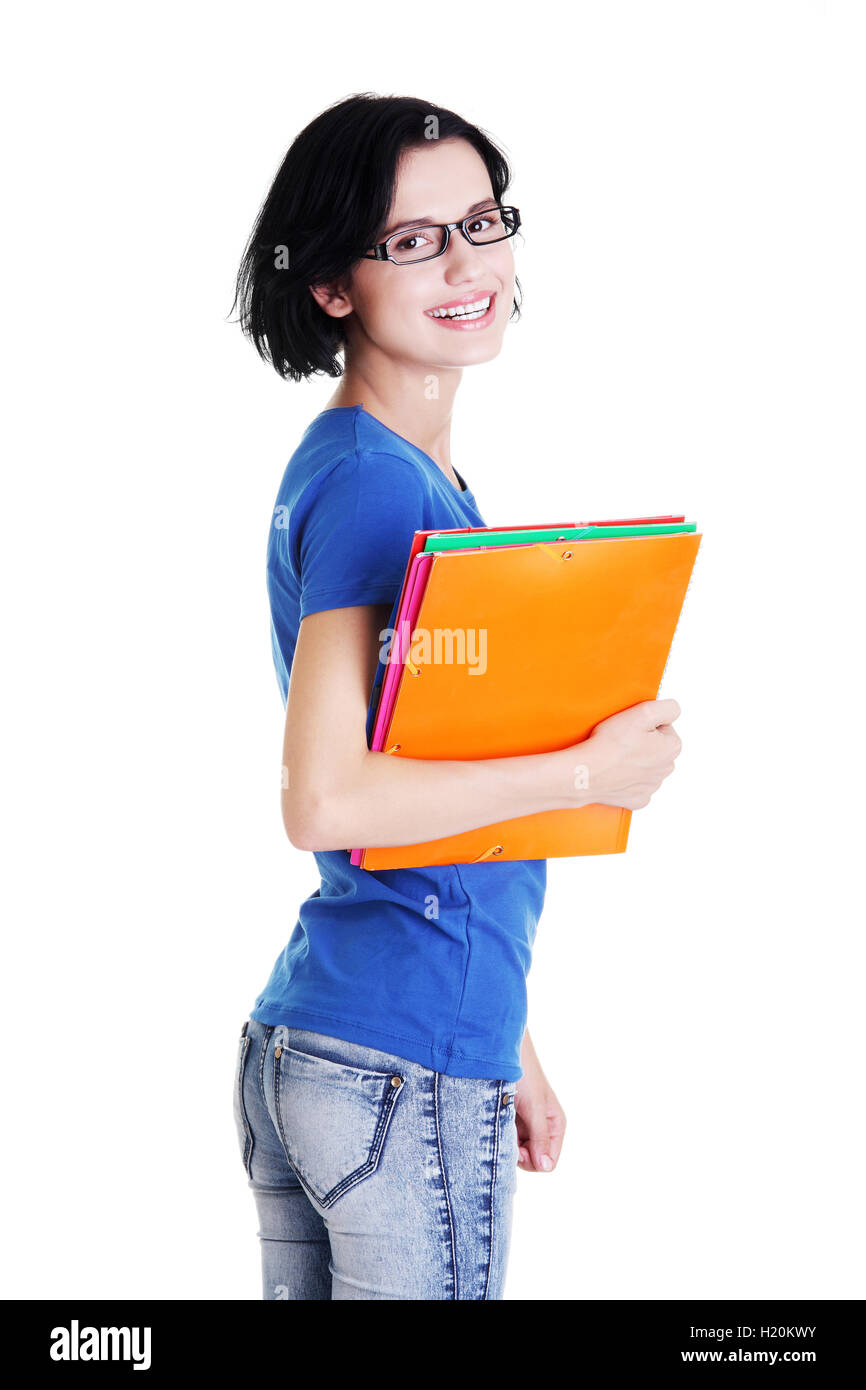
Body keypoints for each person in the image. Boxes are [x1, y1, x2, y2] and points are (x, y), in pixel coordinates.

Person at [229, 92, 682, 1300]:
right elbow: (327, 799)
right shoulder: (381, 486)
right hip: (395, 1064)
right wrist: (591, 774)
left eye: (480, 222)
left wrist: (512, 1046)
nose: (465, 261)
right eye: (413, 238)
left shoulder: (375, 466)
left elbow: (415, 789)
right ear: (331, 285)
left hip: (338, 1040)